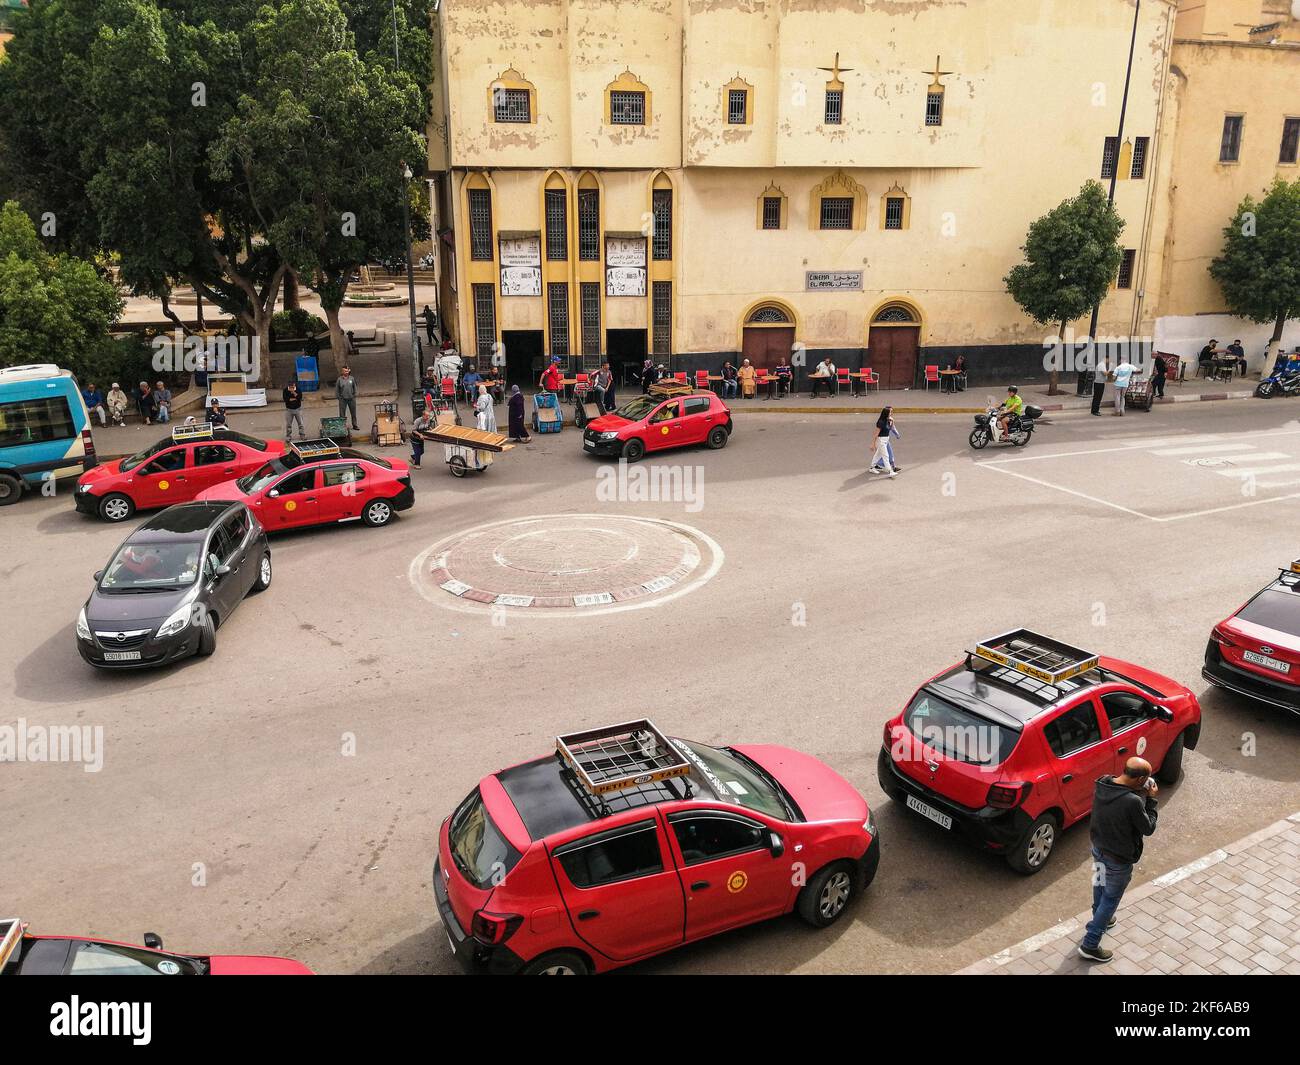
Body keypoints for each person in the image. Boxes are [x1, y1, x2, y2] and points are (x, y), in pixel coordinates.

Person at [1077, 757, 1160, 963]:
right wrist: (1150, 800)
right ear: (1140, 778)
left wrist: (1138, 790)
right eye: (1145, 779)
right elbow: (1148, 828)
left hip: (1098, 850)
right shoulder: (1132, 801)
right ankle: (1090, 944)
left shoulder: (1104, 783)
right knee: (1111, 900)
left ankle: (1101, 917)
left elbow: (1120, 801)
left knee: (1099, 886)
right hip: (1118, 859)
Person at [870, 407, 899, 478]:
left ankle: (872, 467)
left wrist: (892, 421)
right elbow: (876, 434)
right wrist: (873, 444)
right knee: (886, 456)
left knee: (878, 455)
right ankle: (890, 471)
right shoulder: (881, 422)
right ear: (886, 413)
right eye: (890, 412)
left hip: (886, 440)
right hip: (881, 440)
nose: (892, 413)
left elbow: (890, 428)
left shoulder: (888, 420)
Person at [410, 405, 434, 469]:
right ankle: (416, 465)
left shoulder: (427, 420)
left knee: (422, 451)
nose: (428, 417)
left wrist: (431, 430)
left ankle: (412, 457)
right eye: (426, 416)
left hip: (421, 438)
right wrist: (419, 434)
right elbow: (413, 430)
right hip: (414, 438)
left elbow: (428, 426)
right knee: (417, 452)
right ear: (423, 415)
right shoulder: (417, 421)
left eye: (428, 416)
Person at [336, 365, 359, 430]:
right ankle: (343, 426)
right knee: (342, 414)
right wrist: (339, 397)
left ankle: (355, 425)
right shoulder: (339, 379)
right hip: (343, 399)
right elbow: (337, 390)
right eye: (344, 371)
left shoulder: (352, 378)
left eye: (347, 371)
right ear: (342, 372)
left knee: (353, 413)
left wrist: (354, 395)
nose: (346, 372)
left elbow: (355, 387)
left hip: (351, 399)